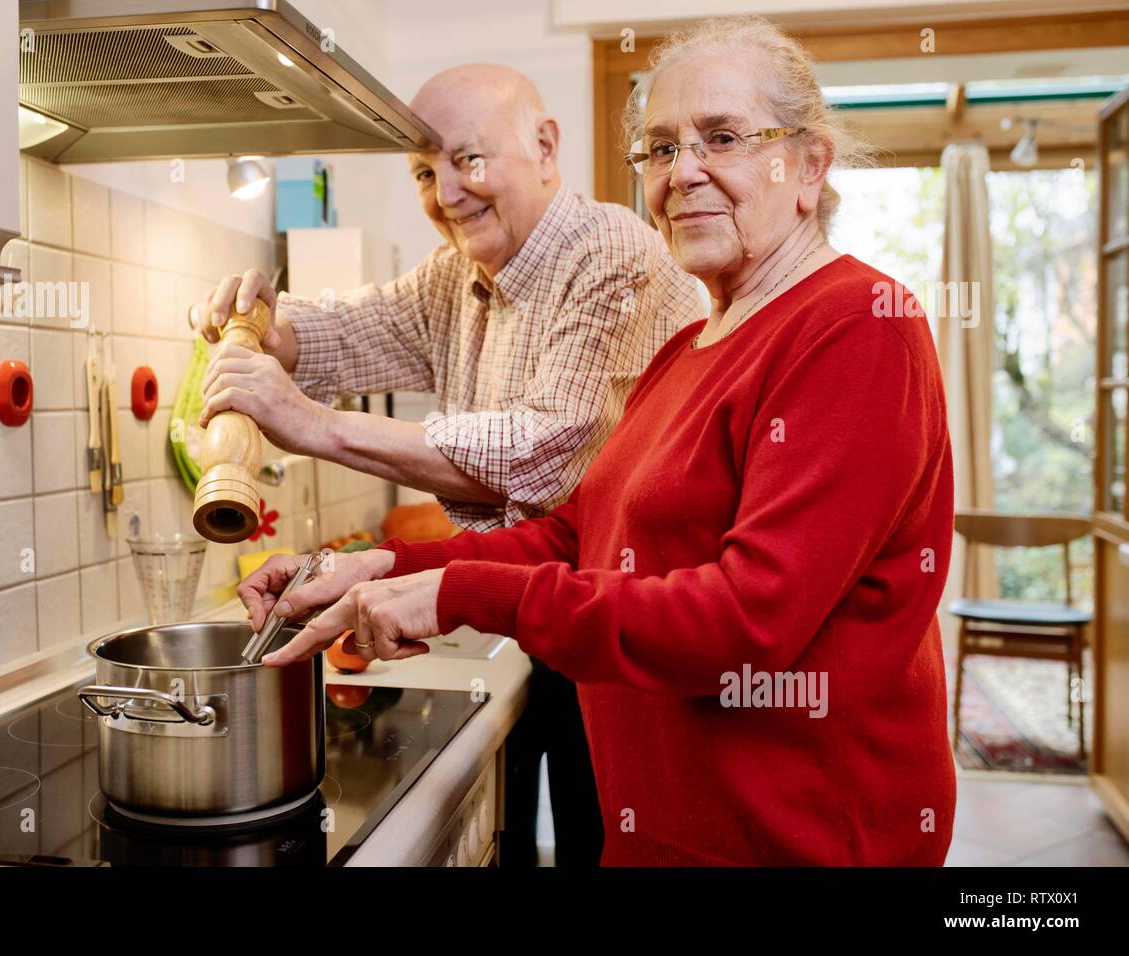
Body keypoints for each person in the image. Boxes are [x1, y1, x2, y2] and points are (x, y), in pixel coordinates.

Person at [254, 17, 957, 866]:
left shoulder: (856, 328)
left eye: (721, 139)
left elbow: (747, 619)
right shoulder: (686, 349)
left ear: (809, 167)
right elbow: (574, 536)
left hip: (799, 840)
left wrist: (462, 596)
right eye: (660, 149)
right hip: (670, 835)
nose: (682, 173)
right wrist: (377, 569)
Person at [194, 64, 707, 866]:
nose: (446, 193)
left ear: (545, 147)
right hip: (543, 601)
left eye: (468, 160)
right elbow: (350, 329)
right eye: (425, 171)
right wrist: (262, 321)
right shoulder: (459, 275)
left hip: (636, 635)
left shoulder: (613, 251)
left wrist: (309, 424)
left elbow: (546, 452)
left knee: (603, 843)